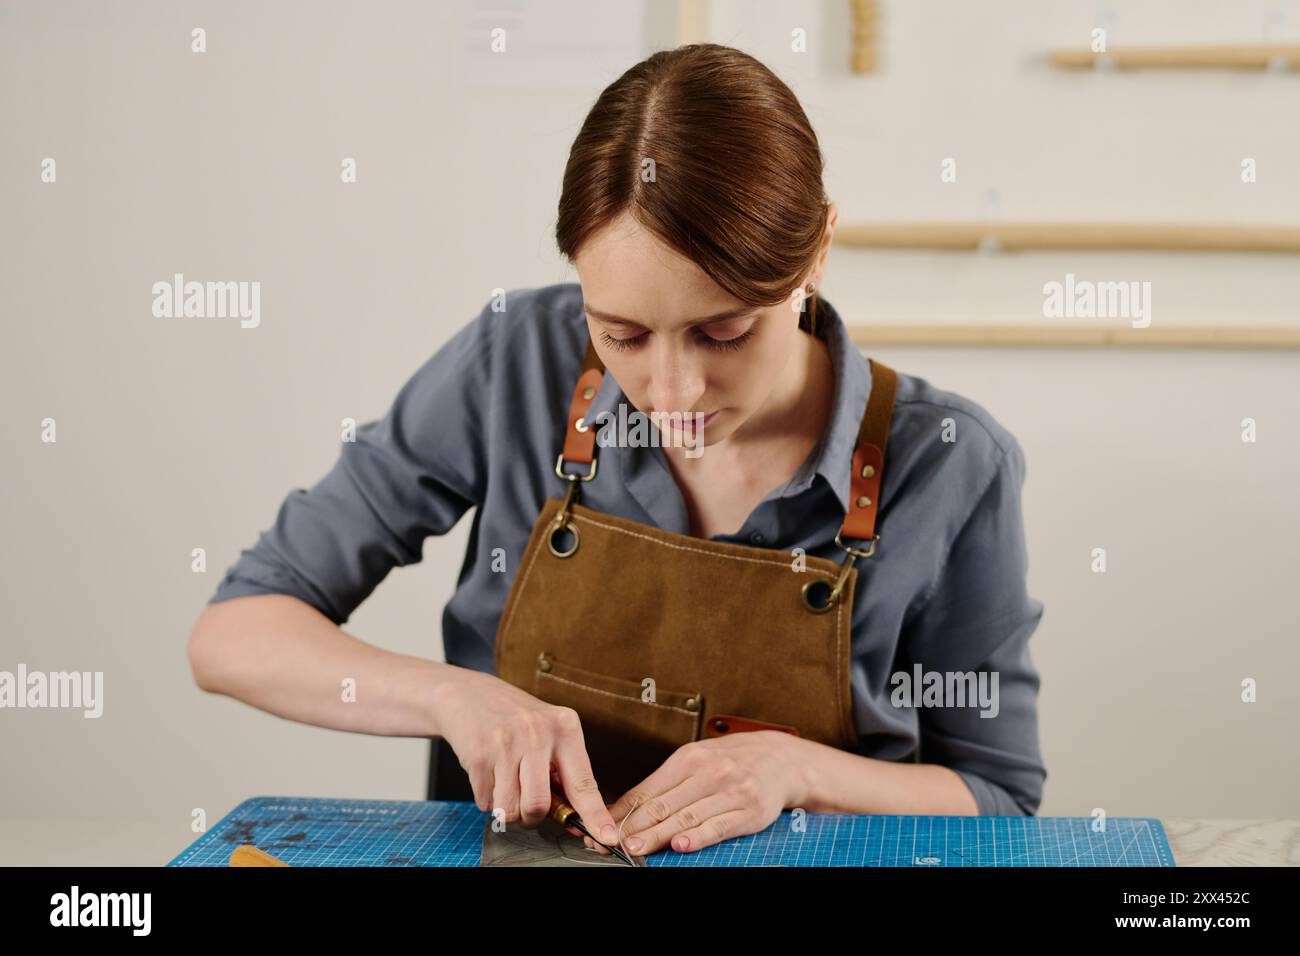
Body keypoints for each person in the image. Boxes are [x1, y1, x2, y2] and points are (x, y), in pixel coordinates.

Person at [187, 43, 1046, 860]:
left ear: (817, 252)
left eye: (723, 332)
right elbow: (234, 633)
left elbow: (996, 797)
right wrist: (455, 697)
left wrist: (800, 774)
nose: (670, 395)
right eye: (623, 335)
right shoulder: (514, 362)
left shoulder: (948, 463)